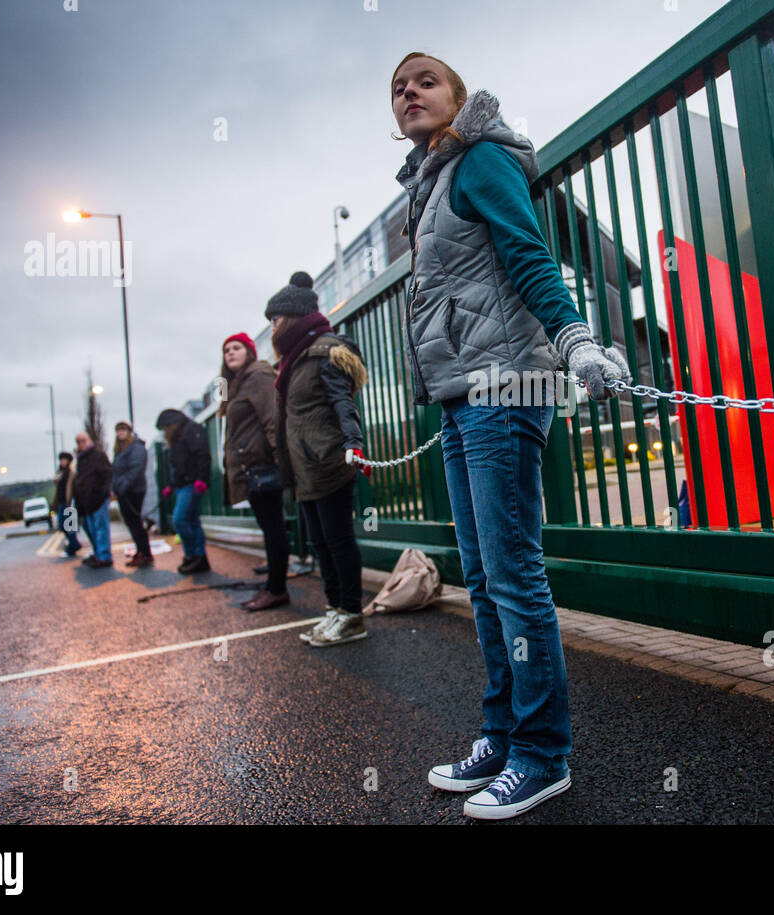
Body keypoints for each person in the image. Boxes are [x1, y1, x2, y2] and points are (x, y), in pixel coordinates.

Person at [390, 53, 630, 820]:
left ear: (458, 98)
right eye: (397, 88)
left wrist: (575, 337)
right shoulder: (425, 191)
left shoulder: (482, 159)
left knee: (514, 576)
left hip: (506, 387)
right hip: (462, 397)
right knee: (486, 579)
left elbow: (530, 253)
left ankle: (541, 754)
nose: (409, 93)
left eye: (425, 80)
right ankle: (500, 735)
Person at [265, 271, 371, 645]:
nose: (273, 326)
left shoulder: (326, 351)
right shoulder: (294, 359)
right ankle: (335, 610)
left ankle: (352, 615)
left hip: (328, 461)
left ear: (291, 317)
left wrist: (353, 443)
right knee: (319, 543)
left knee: (338, 540)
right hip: (303, 468)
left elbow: (344, 402)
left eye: (276, 319)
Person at [218, 332, 291, 611]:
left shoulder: (258, 376)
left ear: (249, 351)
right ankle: (273, 585)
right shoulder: (238, 384)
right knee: (269, 528)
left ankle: (277, 589)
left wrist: (278, 461)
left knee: (274, 529)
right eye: (226, 350)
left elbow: (272, 420)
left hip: (264, 466)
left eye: (236, 348)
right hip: (252, 468)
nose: (231, 353)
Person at [156, 409, 212, 574]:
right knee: (192, 521)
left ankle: (192, 555)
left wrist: (202, 478)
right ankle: (199, 557)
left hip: (191, 483)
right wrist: (172, 485)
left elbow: (202, 455)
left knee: (180, 519)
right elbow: (178, 465)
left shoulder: (191, 431)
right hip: (184, 484)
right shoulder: (180, 436)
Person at [111, 421, 153, 568]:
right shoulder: (120, 450)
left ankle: (145, 553)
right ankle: (142, 551)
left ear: (129, 431)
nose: (120, 433)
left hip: (133, 491)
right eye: (118, 430)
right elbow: (115, 472)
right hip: (125, 491)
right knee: (132, 522)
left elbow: (135, 470)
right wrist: (114, 488)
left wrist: (122, 487)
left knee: (135, 522)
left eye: (122, 429)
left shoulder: (136, 448)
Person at [73, 431, 114, 568]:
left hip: (97, 499)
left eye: (83, 440)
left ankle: (104, 556)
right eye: (78, 441)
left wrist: (105, 493)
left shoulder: (98, 456)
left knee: (100, 529)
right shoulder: (80, 460)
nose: (81, 444)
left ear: (90, 441)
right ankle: (98, 553)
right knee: (91, 529)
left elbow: (107, 474)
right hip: (85, 502)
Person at [51, 451, 80, 557]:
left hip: (69, 501)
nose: (63, 462)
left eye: (65, 459)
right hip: (61, 502)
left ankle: (72, 546)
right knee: (62, 525)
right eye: (61, 460)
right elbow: (56, 483)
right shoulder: (60, 472)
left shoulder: (70, 472)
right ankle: (74, 544)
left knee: (70, 526)